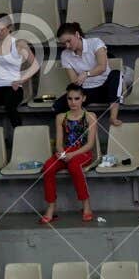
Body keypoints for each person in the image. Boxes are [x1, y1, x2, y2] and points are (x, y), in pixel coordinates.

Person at [40, 86, 98, 225]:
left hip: (83, 152)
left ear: (83, 99)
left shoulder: (90, 116)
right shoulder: (61, 117)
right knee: (48, 167)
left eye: (77, 99)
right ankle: (51, 207)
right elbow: (59, 142)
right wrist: (62, 153)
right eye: (70, 98)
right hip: (66, 151)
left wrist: (72, 155)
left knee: (74, 166)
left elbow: (90, 144)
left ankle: (86, 205)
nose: (73, 102)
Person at [55, 23, 122, 127]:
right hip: (87, 92)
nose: (67, 46)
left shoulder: (95, 42)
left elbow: (102, 67)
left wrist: (86, 74)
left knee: (116, 74)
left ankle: (113, 117)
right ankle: (70, 134)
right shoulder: (65, 55)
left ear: (77, 34)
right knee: (58, 106)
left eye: (69, 41)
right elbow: (74, 81)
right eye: (64, 44)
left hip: (106, 88)